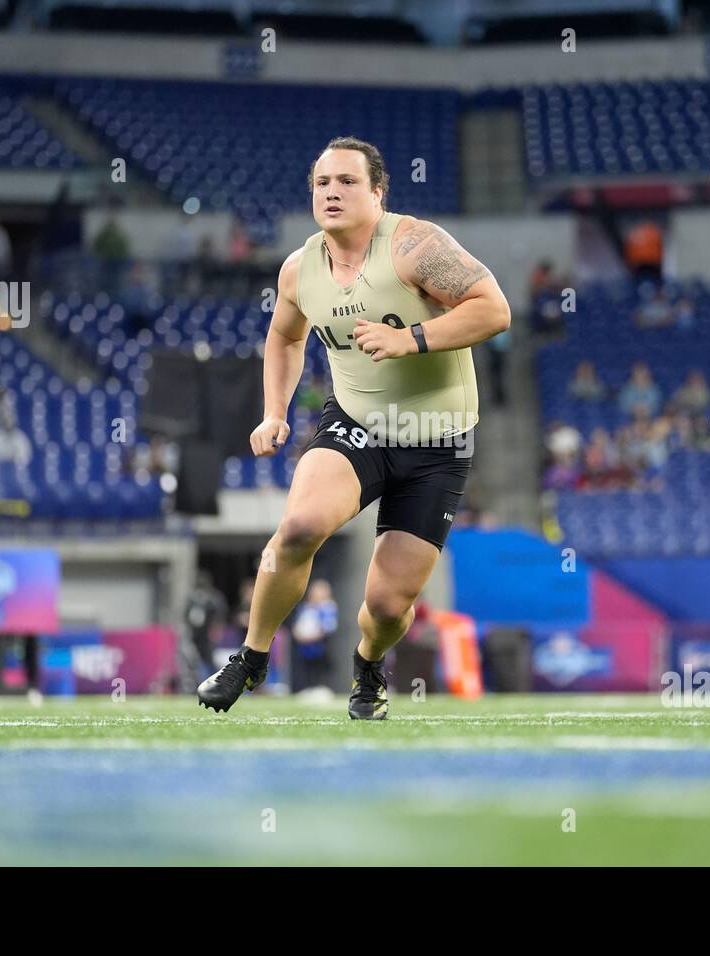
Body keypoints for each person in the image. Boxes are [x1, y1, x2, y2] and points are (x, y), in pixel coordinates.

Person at [197, 136, 510, 720]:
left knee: (389, 606)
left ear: (378, 191)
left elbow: (494, 310)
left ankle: (367, 665)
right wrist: (274, 412)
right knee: (299, 527)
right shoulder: (299, 268)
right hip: (358, 424)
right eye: (322, 183)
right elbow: (284, 337)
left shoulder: (415, 246)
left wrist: (408, 338)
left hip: (439, 441)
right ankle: (252, 656)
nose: (332, 193)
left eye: (347, 182)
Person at [289, 579, 337, 693]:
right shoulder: (305, 607)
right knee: (305, 667)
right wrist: (298, 635)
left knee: (319, 667)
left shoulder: (328, 607)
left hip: (319, 645)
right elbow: (297, 623)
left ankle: (320, 688)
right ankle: (307, 688)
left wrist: (314, 636)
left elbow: (328, 626)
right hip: (304, 645)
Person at [184, 570, 229, 677]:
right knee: (192, 659)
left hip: (207, 634)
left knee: (209, 659)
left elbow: (219, 614)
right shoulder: (193, 598)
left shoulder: (213, 598)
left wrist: (216, 630)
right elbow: (187, 616)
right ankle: (194, 682)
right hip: (194, 634)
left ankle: (216, 680)